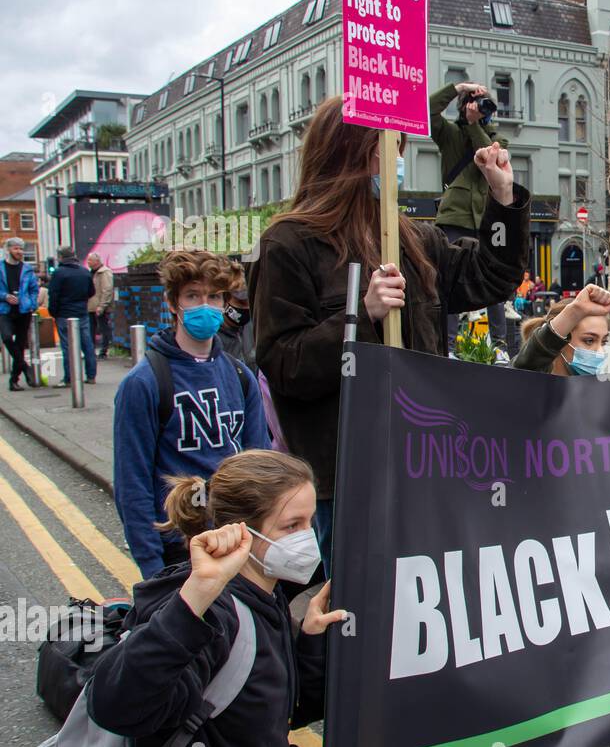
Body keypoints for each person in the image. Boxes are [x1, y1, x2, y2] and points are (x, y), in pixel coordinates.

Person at [249, 97, 528, 580]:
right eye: (388, 149)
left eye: (400, 147)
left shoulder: (414, 240)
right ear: (349, 154)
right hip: (347, 478)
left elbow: (491, 277)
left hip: (422, 465)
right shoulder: (288, 244)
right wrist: (362, 316)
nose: (398, 161)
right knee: (359, 613)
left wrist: (503, 200)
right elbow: (283, 363)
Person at [87, 450, 347, 747]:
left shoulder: (268, 597)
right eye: (291, 526)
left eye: (310, 522)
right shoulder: (215, 615)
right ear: (240, 530)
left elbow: (279, 714)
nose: (308, 537)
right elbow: (115, 706)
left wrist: (313, 640)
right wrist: (194, 599)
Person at [114, 248, 269, 578]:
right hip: (179, 549)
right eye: (193, 296)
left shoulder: (241, 377)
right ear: (173, 303)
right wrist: (153, 568)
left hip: (235, 541)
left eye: (213, 296)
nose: (205, 306)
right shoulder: (143, 383)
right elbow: (132, 484)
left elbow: (260, 468)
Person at [431, 80, 510, 345]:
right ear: (465, 106)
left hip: (487, 218)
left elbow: (490, 158)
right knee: (449, 280)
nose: (481, 107)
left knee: (494, 281)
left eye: (485, 103)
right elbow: (428, 110)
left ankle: (499, 345)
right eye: (475, 102)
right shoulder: (449, 134)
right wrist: (456, 88)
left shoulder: (498, 140)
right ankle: (448, 345)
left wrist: (475, 124)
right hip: (455, 217)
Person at [513, 284, 610, 376]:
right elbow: (519, 373)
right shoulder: (534, 386)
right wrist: (574, 311)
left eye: (604, 342)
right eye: (589, 340)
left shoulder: (602, 392)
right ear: (558, 341)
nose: (600, 352)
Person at [46, 246, 97, 387]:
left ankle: (70, 378)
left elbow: (53, 295)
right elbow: (91, 292)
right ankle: (91, 376)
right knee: (87, 345)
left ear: (60, 256)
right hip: (82, 312)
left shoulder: (59, 273)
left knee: (68, 347)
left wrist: (53, 312)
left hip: (64, 314)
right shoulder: (85, 272)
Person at [1, 237, 39, 391]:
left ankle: (13, 381)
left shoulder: (27, 269)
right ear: (8, 250)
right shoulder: (1, 267)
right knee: (7, 338)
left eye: (21, 249)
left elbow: (34, 290)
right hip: (4, 310)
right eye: (16, 248)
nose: (20, 252)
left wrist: (31, 303)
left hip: (23, 310)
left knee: (20, 345)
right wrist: (5, 296)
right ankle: (25, 367)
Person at [216, 284, 256, 372]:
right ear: (225, 301)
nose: (246, 308)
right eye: (241, 303)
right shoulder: (211, 334)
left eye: (249, 302)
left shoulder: (254, 327)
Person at [86, 252, 114, 357]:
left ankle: (104, 350)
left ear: (97, 261)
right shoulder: (92, 272)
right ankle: (91, 351)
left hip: (100, 306)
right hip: (91, 306)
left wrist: (102, 306)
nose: (88, 262)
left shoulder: (105, 272)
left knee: (103, 328)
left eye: (90, 260)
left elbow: (107, 290)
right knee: (90, 329)